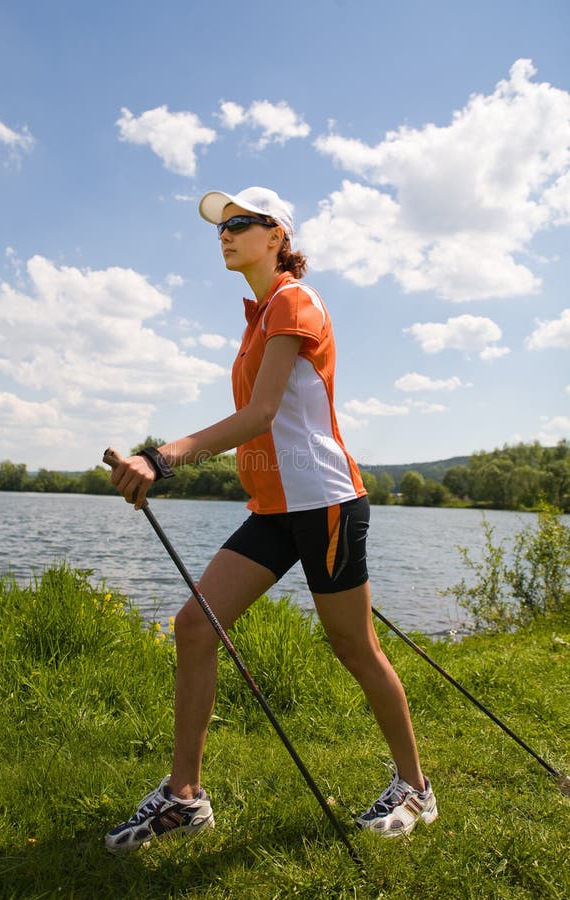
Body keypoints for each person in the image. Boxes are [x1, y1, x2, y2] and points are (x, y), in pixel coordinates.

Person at [104, 186, 437, 854]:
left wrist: (162, 458)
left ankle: (415, 789)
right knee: (195, 625)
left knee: (354, 646)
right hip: (274, 510)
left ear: (277, 235)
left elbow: (258, 416)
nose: (225, 234)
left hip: (326, 504)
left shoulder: (293, 301)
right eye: (220, 227)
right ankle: (185, 796)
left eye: (240, 223)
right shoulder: (257, 317)